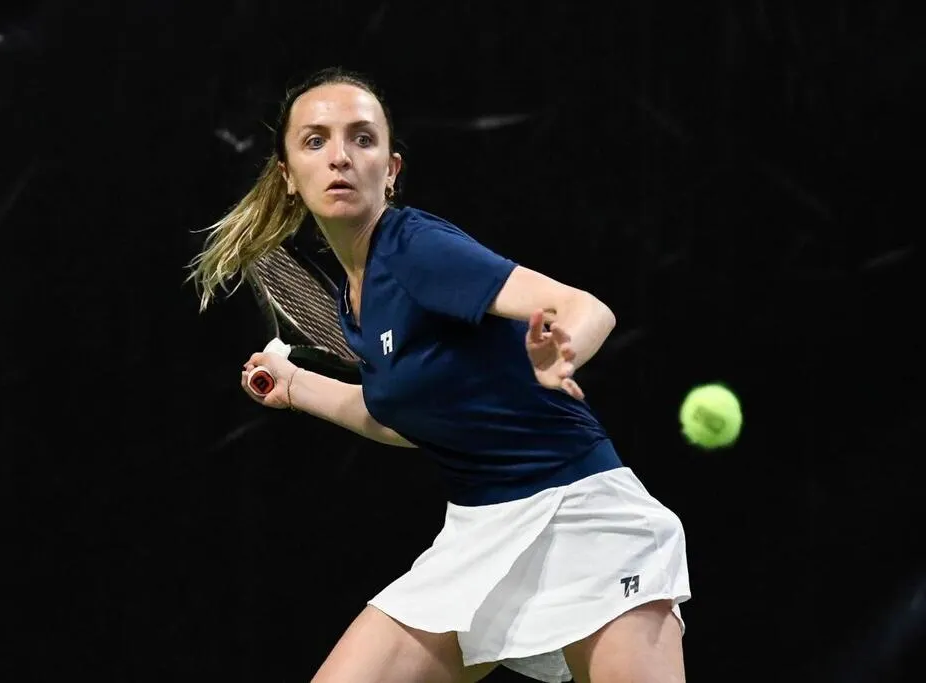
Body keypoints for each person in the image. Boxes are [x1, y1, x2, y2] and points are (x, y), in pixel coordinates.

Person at [189, 66, 691, 683]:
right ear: (289, 175)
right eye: (315, 140)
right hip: (480, 531)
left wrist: (564, 351)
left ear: (391, 170)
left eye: (362, 138)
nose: (340, 157)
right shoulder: (355, 300)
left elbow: (586, 308)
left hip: (584, 516)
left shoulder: (414, 249)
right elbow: (402, 421)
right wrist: (296, 386)